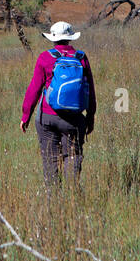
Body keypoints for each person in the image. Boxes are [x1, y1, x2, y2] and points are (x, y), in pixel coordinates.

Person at [21, 21, 97, 186]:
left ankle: (53, 200)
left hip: (47, 117)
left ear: (53, 39)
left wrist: (26, 115)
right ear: (70, 39)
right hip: (75, 119)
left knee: (50, 159)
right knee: (73, 156)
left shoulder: (45, 57)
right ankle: (72, 196)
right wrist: (90, 117)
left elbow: (34, 88)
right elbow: (90, 89)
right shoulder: (81, 58)